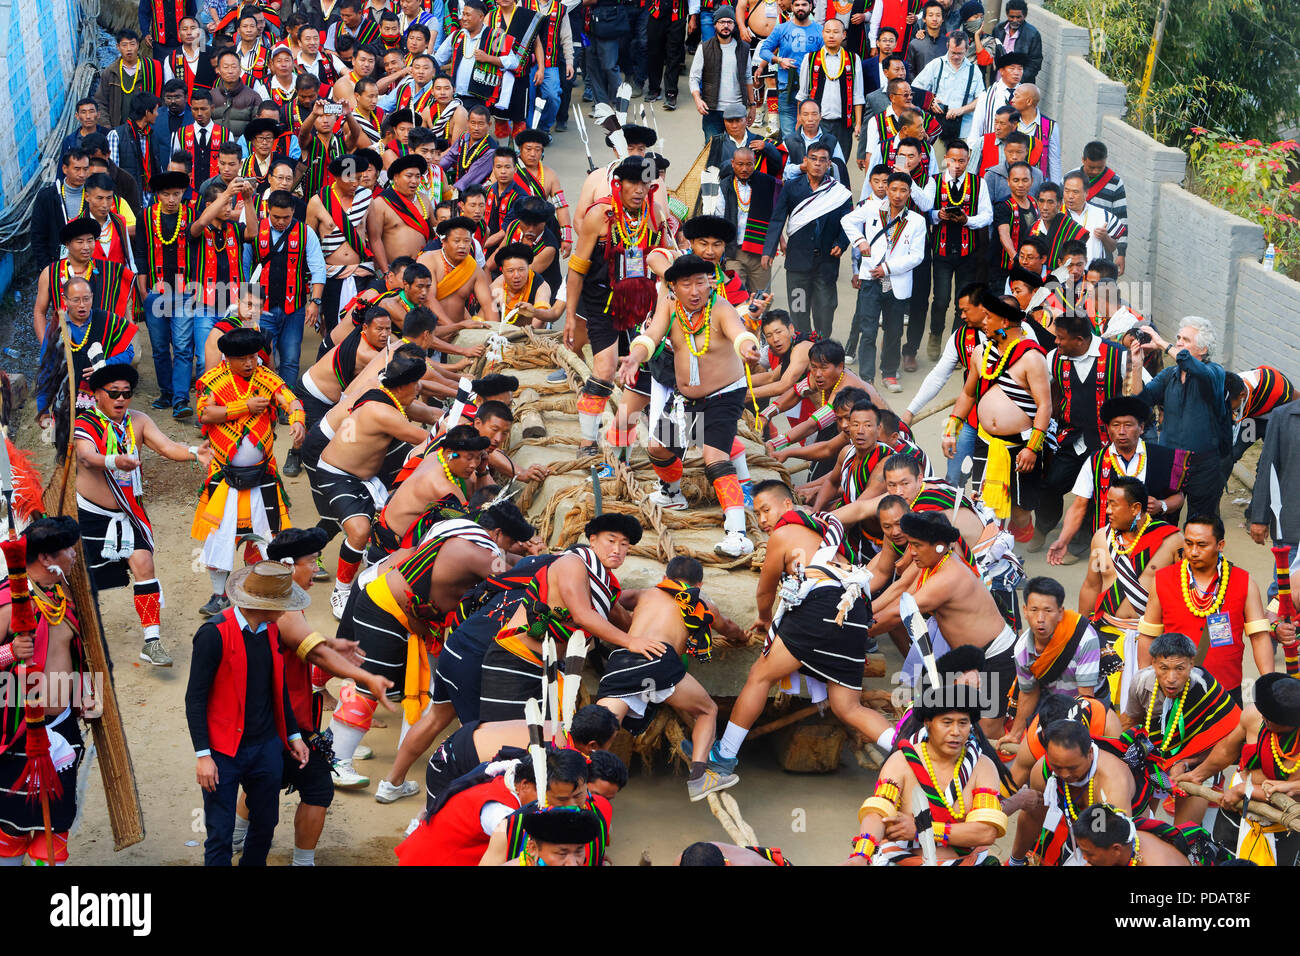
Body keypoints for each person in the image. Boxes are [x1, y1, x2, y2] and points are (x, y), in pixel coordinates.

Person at [702, 481, 888, 779]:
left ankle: (724, 757)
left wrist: (764, 618)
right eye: (757, 513)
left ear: (787, 506)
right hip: (855, 612)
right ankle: (912, 754)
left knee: (760, 676)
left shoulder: (784, 533)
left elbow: (765, 591)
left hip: (824, 606)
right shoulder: (825, 534)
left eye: (766, 510)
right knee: (848, 707)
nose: (762, 520)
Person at [74, 363, 207, 667]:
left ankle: (151, 640)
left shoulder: (139, 421)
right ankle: (76, 637)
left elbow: (167, 446)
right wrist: (113, 460)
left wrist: (192, 452)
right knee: (82, 580)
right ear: (97, 395)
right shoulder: (86, 423)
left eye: (126, 394)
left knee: (144, 564)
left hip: (128, 512)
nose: (121, 400)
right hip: (91, 517)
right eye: (114, 394)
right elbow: (85, 455)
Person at [185, 561, 312, 865]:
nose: (285, 611)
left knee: (266, 825)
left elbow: (278, 686)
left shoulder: (270, 630)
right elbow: (195, 699)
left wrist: (293, 734)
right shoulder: (213, 634)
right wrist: (203, 756)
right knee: (220, 832)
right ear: (263, 605)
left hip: (265, 745)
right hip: (222, 751)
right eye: (281, 604)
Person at [869, 511, 1017, 736]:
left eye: (917, 545)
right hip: (964, 656)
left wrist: (857, 632)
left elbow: (898, 615)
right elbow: (901, 591)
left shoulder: (949, 577)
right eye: (910, 544)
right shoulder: (933, 562)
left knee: (986, 731)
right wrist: (862, 613)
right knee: (937, 714)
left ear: (939, 545)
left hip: (996, 657)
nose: (912, 552)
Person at [192, 327, 306, 617]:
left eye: (253, 357)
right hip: (224, 475)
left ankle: (263, 589)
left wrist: (297, 420)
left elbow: (291, 399)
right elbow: (205, 414)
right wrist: (245, 407)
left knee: (268, 535)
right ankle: (219, 595)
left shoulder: (267, 378)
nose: (249, 363)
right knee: (218, 536)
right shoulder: (211, 381)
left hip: (263, 474)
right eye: (242, 358)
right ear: (227, 358)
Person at [0, 517, 90, 867]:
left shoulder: (60, 597)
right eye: (68, 549)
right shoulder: (8, 601)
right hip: (18, 734)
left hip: (62, 731)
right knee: (10, 832)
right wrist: (9, 653)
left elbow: (77, 654)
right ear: (45, 559)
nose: (73, 555)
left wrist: (87, 695)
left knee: (54, 833)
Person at [311, 354, 430, 615]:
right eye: (417, 383)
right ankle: (341, 592)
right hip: (336, 474)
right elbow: (425, 438)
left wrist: (451, 415)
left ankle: (363, 563)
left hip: (362, 477)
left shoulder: (386, 397)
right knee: (358, 530)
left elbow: (425, 412)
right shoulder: (382, 411)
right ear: (402, 386)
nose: (420, 388)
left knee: (374, 518)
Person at [565, 156, 665, 459]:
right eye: (633, 183)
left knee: (642, 373)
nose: (639, 189)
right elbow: (577, 267)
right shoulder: (600, 215)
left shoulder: (656, 214)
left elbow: (665, 260)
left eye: (645, 183)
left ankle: (627, 444)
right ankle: (586, 440)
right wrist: (570, 315)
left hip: (641, 305)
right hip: (602, 302)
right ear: (618, 185)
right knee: (606, 369)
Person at [848, 679, 1008, 865]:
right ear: (928, 723)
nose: (955, 731)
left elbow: (986, 832)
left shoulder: (982, 766)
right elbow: (878, 812)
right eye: (946, 722)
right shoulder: (902, 761)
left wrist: (922, 828)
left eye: (963, 723)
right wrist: (861, 855)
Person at [1140, 515, 1281, 706]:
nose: (1193, 551)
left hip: (1226, 693)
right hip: (1173, 691)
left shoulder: (1243, 582)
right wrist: (1144, 681)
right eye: (1188, 544)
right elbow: (1148, 634)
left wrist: (1269, 684)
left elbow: (1259, 637)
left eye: (1202, 545)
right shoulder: (1163, 580)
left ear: (1220, 545)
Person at [944, 290, 1050, 538]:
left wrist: (1032, 449)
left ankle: (1018, 538)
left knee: (1020, 510)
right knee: (983, 504)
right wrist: (951, 431)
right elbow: (968, 395)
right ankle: (991, 549)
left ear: (1004, 322)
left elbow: (1044, 406)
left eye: (988, 318)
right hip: (986, 443)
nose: (983, 322)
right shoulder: (980, 353)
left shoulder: (1031, 357)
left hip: (1021, 446)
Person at [1174, 672, 1300, 865]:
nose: (1264, 717)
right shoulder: (1254, 715)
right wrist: (1196, 775)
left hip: (1279, 826)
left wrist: (1244, 790)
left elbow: (1292, 793)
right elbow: (1226, 750)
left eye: (1270, 717)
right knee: (1221, 860)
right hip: (1234, 809)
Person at [1121, 632, 1241, 823]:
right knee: (1138, 825)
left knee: (1185, 834)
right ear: (1153, 663)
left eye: (1179, 668)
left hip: (1196, 764)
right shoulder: (1141, 683)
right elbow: (1131, 723)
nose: (1171, 678)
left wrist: (1186, 763)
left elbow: (1229, 737)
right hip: (1153, 758)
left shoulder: (1203, 686)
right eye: (1164, 668)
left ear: (1191, 664)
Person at [1128, 318, 1232, 518]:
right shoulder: (1169, 374)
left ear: (1202, 349)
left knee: (1201, 523)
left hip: (1204, 464)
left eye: (1186, 340)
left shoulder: (1214, 372)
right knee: (1161, 520)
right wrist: (1137, 365)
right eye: (1178, 338)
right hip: (1169, 461)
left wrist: (1162, 344)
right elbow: (1141, 401)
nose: (1179, 343)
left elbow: (1189, 363)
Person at [841, 170, 926, 388]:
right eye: (894, 189)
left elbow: (917, 256)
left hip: (895, 281)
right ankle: (866, 378)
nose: (898, 195)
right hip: (870, 279)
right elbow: (847, 221)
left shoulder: (916, 221)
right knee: (868, 330)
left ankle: (889, 372)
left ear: (909, 193)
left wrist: (887, 268)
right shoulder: (871, 209)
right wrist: (860, 241)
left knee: (894, 330)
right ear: (886, 189)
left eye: (903, 191)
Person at [764, 143, 851, 340]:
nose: (818, 164)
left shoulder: (839, 193)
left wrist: (842, 242)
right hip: (797, 266)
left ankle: (822, 352)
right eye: (813, 159)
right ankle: (802, 352)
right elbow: (777, 219)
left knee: (824, 313)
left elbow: (849, 222)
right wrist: (768, 251)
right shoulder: (792, 187)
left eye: (823, 160)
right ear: (805, 161)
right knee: (798, 311)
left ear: (829, 164)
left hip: (826, 265)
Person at [1002, 576, 1100, 747]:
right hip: (1051, 702)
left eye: (1048, 611)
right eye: (1034, 610)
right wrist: (1015, 734)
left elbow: (1086, 698)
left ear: (1061, 612)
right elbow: (1029, 692)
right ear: (1024, 611)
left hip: (1091, 703)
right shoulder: (1022, 650)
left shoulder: (1085, 639)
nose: (1040, 618)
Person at [903, 282, 985, 482]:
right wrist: (910, 411)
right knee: (952, 480)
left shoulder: (1016, 336)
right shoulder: (960, 337)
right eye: (960, 311)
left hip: (1004, 429)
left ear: (983, 308)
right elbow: (938, 376)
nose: (962, 316)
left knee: (988, 490)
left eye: (965, 310)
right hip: (970, 417)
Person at [1028, 718, 1137, 864]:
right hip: (1079, 842)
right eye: (1058, 767)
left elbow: (1117, 849)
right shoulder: (1043, 770)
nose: (1065, 775)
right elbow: (1031, 818)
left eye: (1072, 768)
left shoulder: (1113, 781)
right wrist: (1015, 860)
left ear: (1090, 753)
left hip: (1121, 851)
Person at [923, 138, 992, 351]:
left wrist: (967, 221)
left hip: (968, 253)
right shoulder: (933, 181)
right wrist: (938, 215)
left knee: (962, 302)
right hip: (942, 251)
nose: (957, 165)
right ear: (945, 160)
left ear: (968, 160)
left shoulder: (979, 182)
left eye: (962, 161)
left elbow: (987, 215)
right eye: (953, 160)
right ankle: (935, 336)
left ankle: (956, 345)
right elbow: (926, 211)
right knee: (941, 299)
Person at [796, 17, 864, 160]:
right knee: (817, 162)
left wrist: (857, 123)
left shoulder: (853, 59)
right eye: (827, 32)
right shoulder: (810, 58)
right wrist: (799, 120)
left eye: (835, 32)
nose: (831, 36)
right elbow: (802, 95)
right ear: (823, 34)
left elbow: (858, 94)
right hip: (817, 122)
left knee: (840, 162)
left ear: (843, 35)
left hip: (843, 123)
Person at [755, 0, 823, 136]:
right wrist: (779, 60)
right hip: (787, 87)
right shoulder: (781, 28)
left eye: (804, 5)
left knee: (810, 133)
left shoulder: (820, 30)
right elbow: (764, 50)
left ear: (810, 6)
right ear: (792, 7)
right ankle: (791, 157)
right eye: (797, 5)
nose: (800, 8)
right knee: (788, 134)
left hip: (811, 89)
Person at [1066, 141, 1128, 276]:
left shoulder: (1115, 182)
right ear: (1083, 160)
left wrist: (1121, 253)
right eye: (1091, 167)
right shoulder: (1070, 177)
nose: (1095, 171)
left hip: (1102, 252)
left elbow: (1122, 217)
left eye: (1100, 167)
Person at [910, 29, 983, 142]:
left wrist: (961, 110)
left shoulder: (974, 71)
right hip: (937, 128)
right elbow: (915, 89)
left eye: (960, 53)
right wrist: (930, 101)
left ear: (967, 49)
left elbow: (981, 99)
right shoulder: (936, 64)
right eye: (953, 52)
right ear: (947, 46)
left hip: (964, 131)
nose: (956, 57)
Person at [369, 153, 436, 275]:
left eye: (417, 176)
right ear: (396, 177)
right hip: (394, 271)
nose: (414, 181)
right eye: (409, 176)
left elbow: (435, 233)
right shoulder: (381, 203)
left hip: (421, 269)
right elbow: (375, 239)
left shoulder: (424, 199)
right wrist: (385, 272)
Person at [96, 30, 163, 131]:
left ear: (138, 45)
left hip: (148, 128)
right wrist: (107, 127)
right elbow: (100, 102)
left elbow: (162, 98)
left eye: (132, 44)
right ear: (118, 47)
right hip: (119, 129)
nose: (129, 49)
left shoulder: (152, 68)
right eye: (124, 45)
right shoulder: (110, 72)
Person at [965, 49, 1022, 150]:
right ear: (1002, 71)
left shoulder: (1025, 94)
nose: (1017, 73)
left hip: (1017, 149)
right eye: (1012, 69)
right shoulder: (987, 95)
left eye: (1020, 69)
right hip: (992, 148)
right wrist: (973, 148)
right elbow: (977, 125)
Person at [210, 48, 263, 138]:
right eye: (226, 67)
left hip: (243, 149)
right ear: (218, 70)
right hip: (216, 147)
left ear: (240, 69)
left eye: (234, 67)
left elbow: (258, 129)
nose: (230, 71)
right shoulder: (211, 96)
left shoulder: (253, 97)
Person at [647, 0, 690, 110]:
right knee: (654, 53)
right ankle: (654, 89)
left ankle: (671, 93)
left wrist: (693, 17)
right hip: (656, 13)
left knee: (674, 54)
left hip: (677, 14)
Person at [991, 0, 1040, 82]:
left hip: (1020, 87)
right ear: (1007, 14)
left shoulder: (1033, 34)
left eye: (1018, 17)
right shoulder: (998, 29)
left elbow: (1035, 63)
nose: (1015, 20)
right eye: (1011, 17)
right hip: (998, 82)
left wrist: (1018, 79)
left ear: (1025, 15)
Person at [905, 1, 948, 78]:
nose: (934, 19)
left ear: (942, 19)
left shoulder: (948, 43)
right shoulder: (915, 44)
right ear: (924, 19)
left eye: (938, 15)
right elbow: (910, 70)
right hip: (921, 88)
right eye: (930, 15)